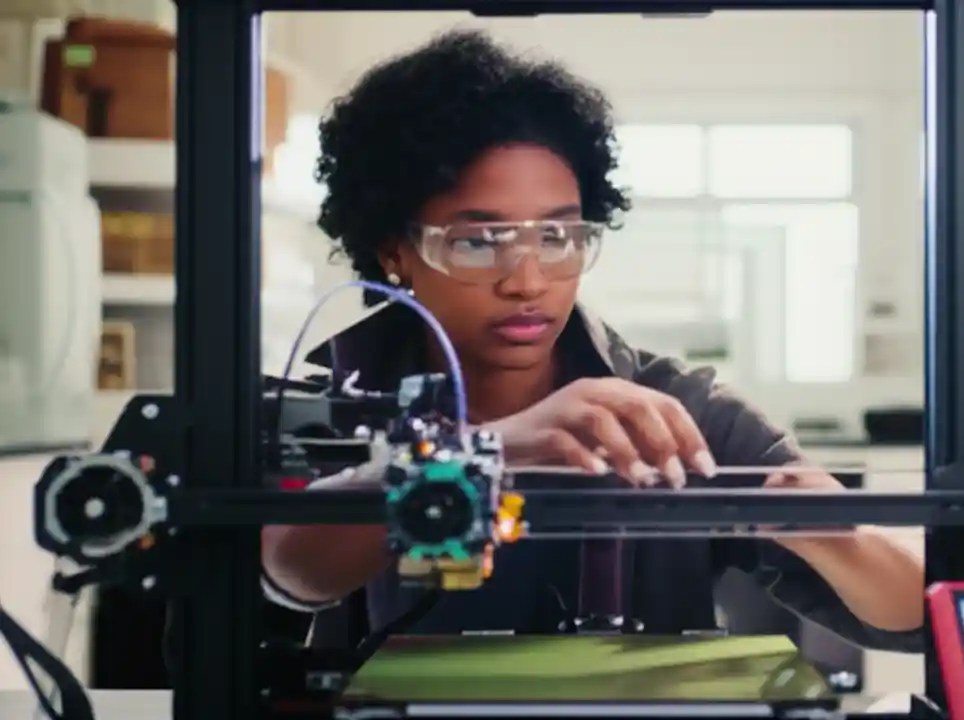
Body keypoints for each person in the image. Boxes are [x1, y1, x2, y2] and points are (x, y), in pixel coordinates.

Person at [260, 29, 924, 656]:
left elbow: (920, 610)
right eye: (477, 242)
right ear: (394, 251)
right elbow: (286, 572)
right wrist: (495, 449)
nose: (527, 281)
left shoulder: (677, 412)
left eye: (556, 237)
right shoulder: (327, 409)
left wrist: (839, 540)